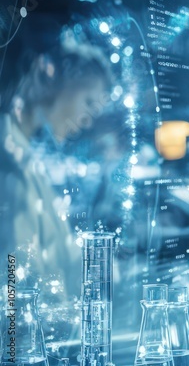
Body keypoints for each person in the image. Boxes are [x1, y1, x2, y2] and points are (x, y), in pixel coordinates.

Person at [0, 19, 114, 294]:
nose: (87, 122)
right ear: (48, 74)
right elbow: (13, 281)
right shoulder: (9, 159)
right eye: (88, 101)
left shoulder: (24, 157)